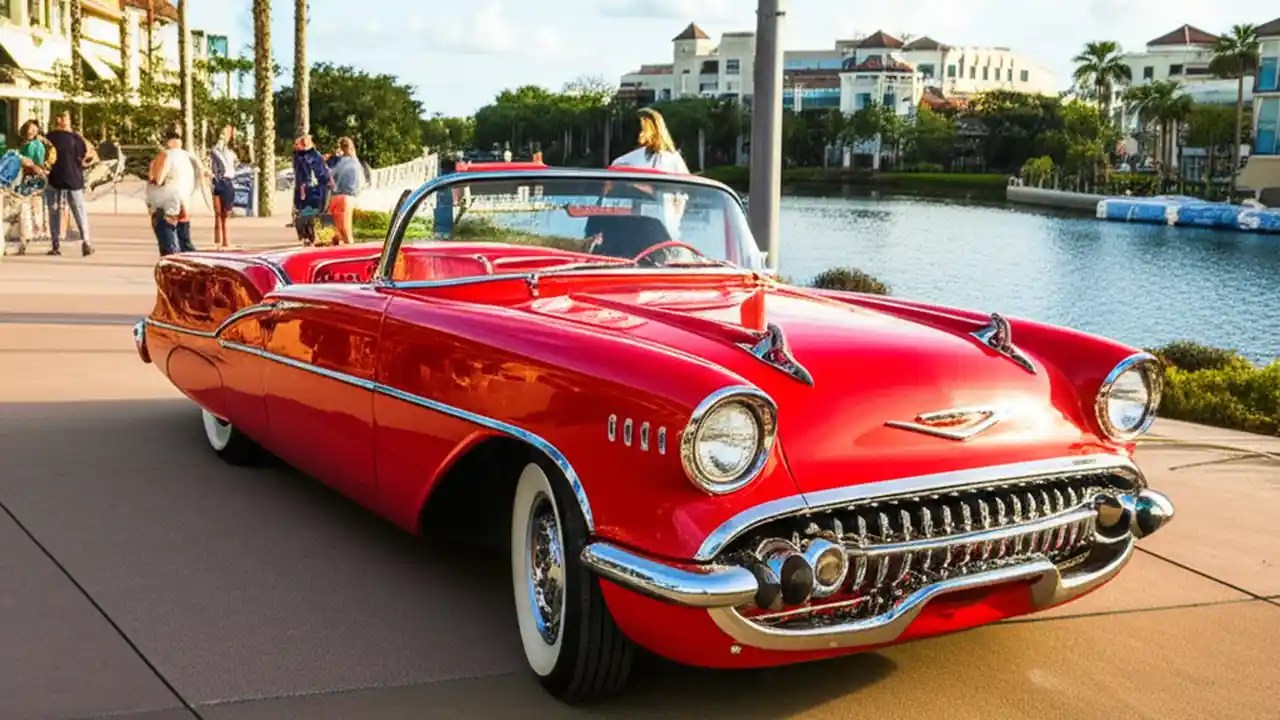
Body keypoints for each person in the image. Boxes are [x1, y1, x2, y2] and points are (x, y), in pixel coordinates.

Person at [609, 107, 690, 237]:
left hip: (661, 230)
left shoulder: (671, 160)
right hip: (630, 229)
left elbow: (681, 197)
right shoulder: (622, 162)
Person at [44, 111, 97, 256]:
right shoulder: (53, 137)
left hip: (69, 178)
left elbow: (90, 154)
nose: (64, 120)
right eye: (62, 117)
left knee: (71, 210)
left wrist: (85, 162)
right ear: (58, 119)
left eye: (66, 117)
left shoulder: (73, 137)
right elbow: (90, 154)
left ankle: (85, 242)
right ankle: (58, 244)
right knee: (59, 211)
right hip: (61, 178)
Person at [146, 124, 199, 256]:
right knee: (185, 242)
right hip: (185, 202)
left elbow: (158, 179)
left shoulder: (165, 155)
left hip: (167, 203)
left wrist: (151, 171)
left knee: (169, 245)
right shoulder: (189, 157)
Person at [14, 119, 52, 253]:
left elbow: (38, 163)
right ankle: (26, 237)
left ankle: (30, 235)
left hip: (34, 178)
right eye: (30, 128)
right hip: (26, 178)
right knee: (26, 208)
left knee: (30, 207)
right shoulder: (25, 144)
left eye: (34, 129)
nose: (32, 131)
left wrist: (32, 166)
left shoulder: (36, 145)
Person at [292, 135, 331, 246]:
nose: (295, 147)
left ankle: (310, 237)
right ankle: (311, 237)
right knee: (310, 214)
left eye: (298, 144)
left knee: (309, 213)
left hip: (310, 190)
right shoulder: (305, 156)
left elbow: (320, 174)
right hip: (309, 190)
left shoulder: (307, 157)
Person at [327, 137, 364, 245]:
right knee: (347, 232)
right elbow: (361, 182)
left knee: (337, 232)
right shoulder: (354, 163)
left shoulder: (337, 162)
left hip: (334, 198)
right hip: (346, 197)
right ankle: (351, 255)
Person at [208, 125, 239, 250]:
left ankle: (225, 241)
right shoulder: (216, 150)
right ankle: (218, 241)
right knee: (218, 214)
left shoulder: (232, 151)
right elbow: (215, 153)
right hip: (218, 182)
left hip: (228, 182)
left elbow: (235, 164)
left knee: (225, 215)